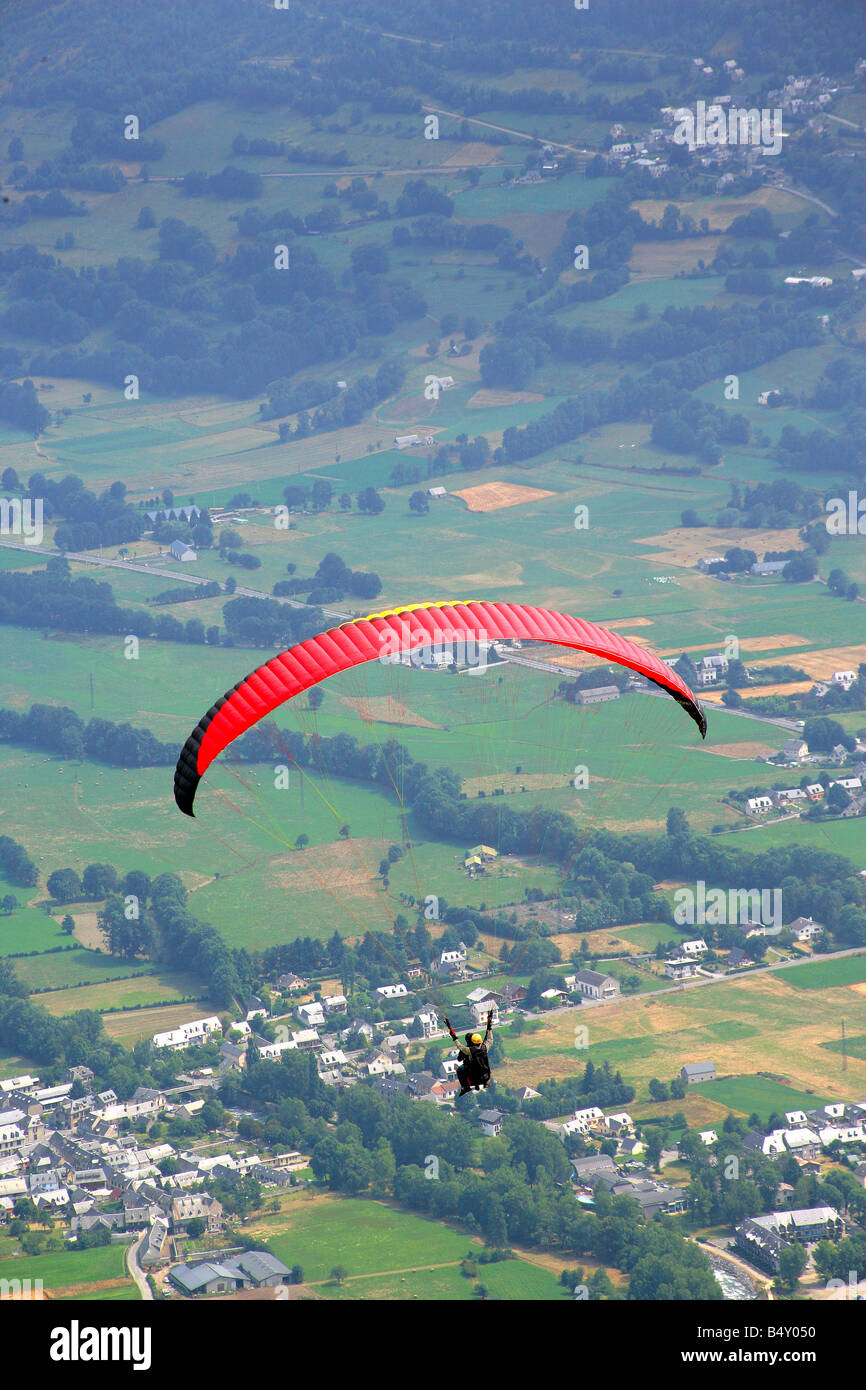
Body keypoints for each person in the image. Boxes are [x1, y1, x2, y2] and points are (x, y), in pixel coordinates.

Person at [444, 1010, 493, 1096]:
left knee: (460, 1070)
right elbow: (489, 1038)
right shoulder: (485, 1047)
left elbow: (459, 1046)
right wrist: (489, 1023)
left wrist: (452, 1033)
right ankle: (486, 1082)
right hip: (486, 1075)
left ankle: (465, 1087)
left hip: (474, 1074)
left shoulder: (469, 1050)